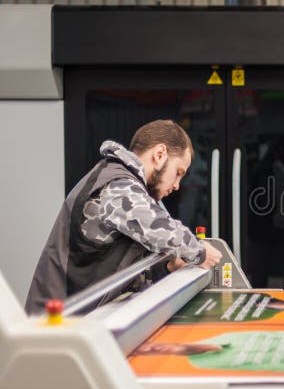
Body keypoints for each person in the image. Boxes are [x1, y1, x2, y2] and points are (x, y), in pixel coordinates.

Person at [25, 119, 222, 314]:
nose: (177, 185)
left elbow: (123, 276)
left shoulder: (126, 185)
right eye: (178, 172)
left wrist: (167, 267)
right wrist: (200, 251)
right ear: (160, 154)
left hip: (73, 323)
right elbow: (159, 228)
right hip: (53, 329)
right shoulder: (117, 184)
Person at [133, 330, 284, 374]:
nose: (157, 346)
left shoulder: (227, 336)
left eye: (151, 344)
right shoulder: (205, 366)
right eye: (151, 351)